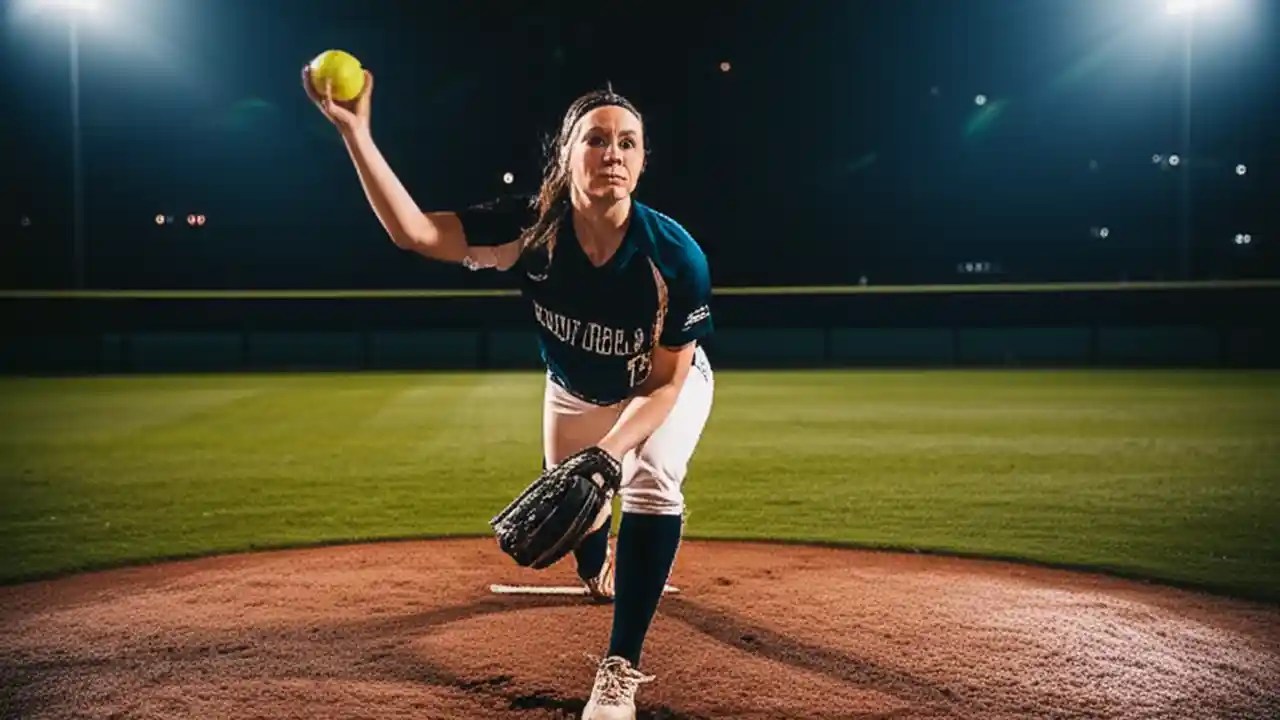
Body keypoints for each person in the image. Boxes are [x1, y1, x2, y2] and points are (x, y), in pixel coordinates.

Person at [302, 65, 715, 720]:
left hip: (657, 387)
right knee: (576, 503)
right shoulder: (532, 228)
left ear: (642, 162)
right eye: (596, 139)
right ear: (566, 154)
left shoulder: (676, 258)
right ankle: (596, 567)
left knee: (653, 480)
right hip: (573, 389)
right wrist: (357, 133)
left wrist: (610, 454)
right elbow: (414, 233)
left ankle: (619, 671)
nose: (612, 153)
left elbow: (666, 381)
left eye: (627, 142)